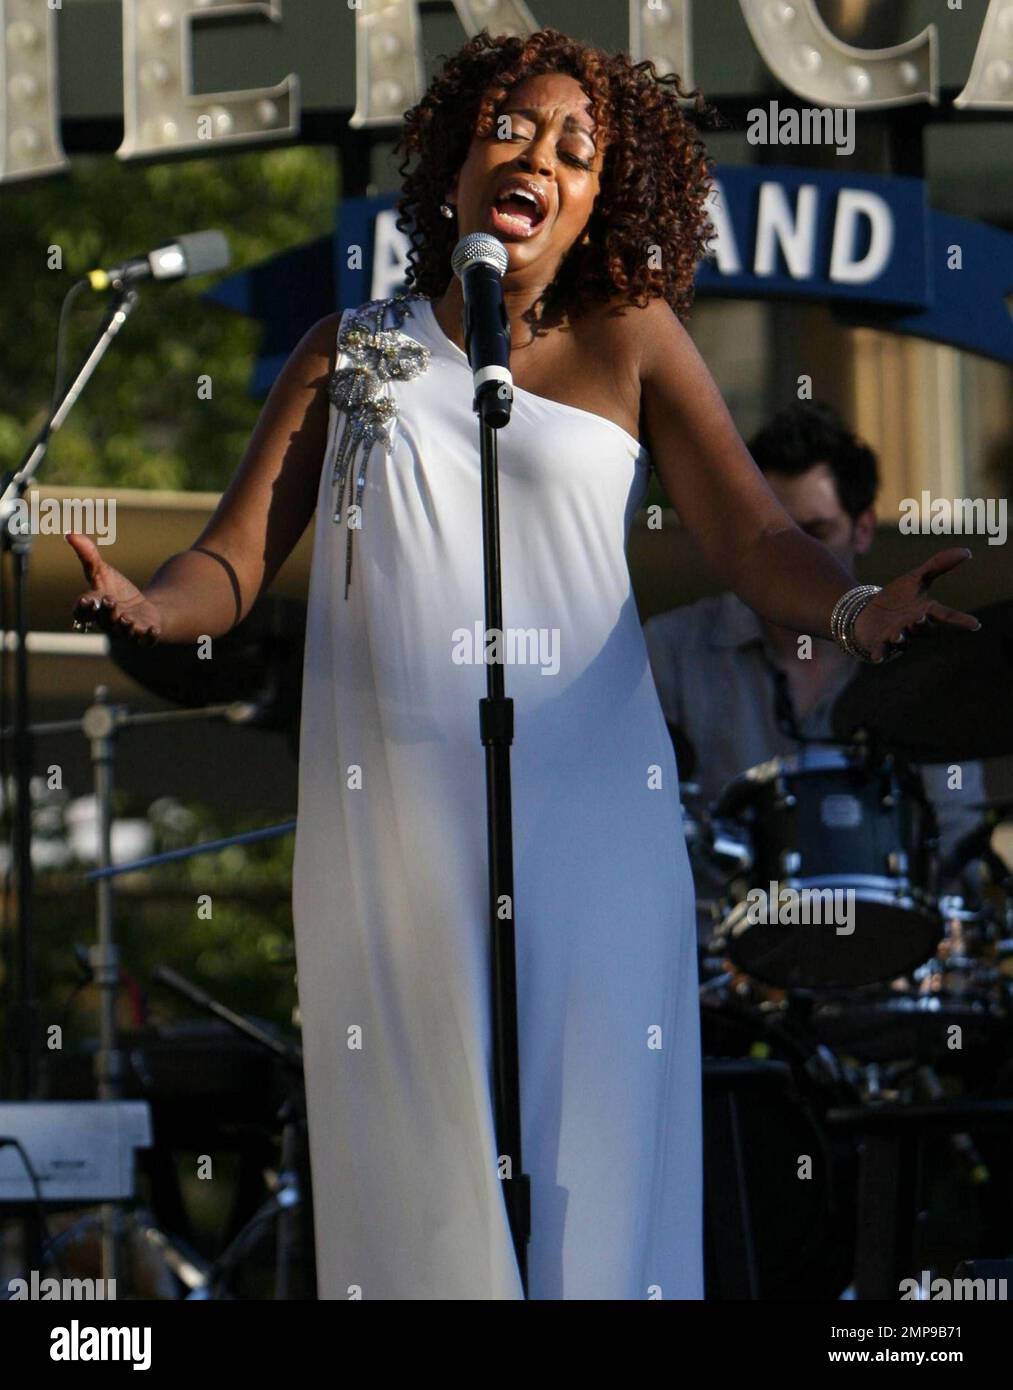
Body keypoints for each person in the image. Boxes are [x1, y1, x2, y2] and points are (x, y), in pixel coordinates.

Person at [65, 30, 979, 1300]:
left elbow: (754, 536)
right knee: (421, 1161)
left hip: (591, 807)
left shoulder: (630, 337)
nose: (538, 155)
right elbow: (228, 562)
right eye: (512, 127)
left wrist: (859, 606)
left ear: (602, 197)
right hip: (393, 822)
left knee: (596, 1171)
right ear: (452, 165)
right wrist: (149, 610)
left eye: (574, 148)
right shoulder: (351, 351)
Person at [642, 402, 986, 920]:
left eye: (816, 534)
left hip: (880, 972)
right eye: (775, 536)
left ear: (864, 529)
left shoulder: (919, 668)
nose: (793, 560)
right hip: (717, 968)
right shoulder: (670, 651)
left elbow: (960, 841)